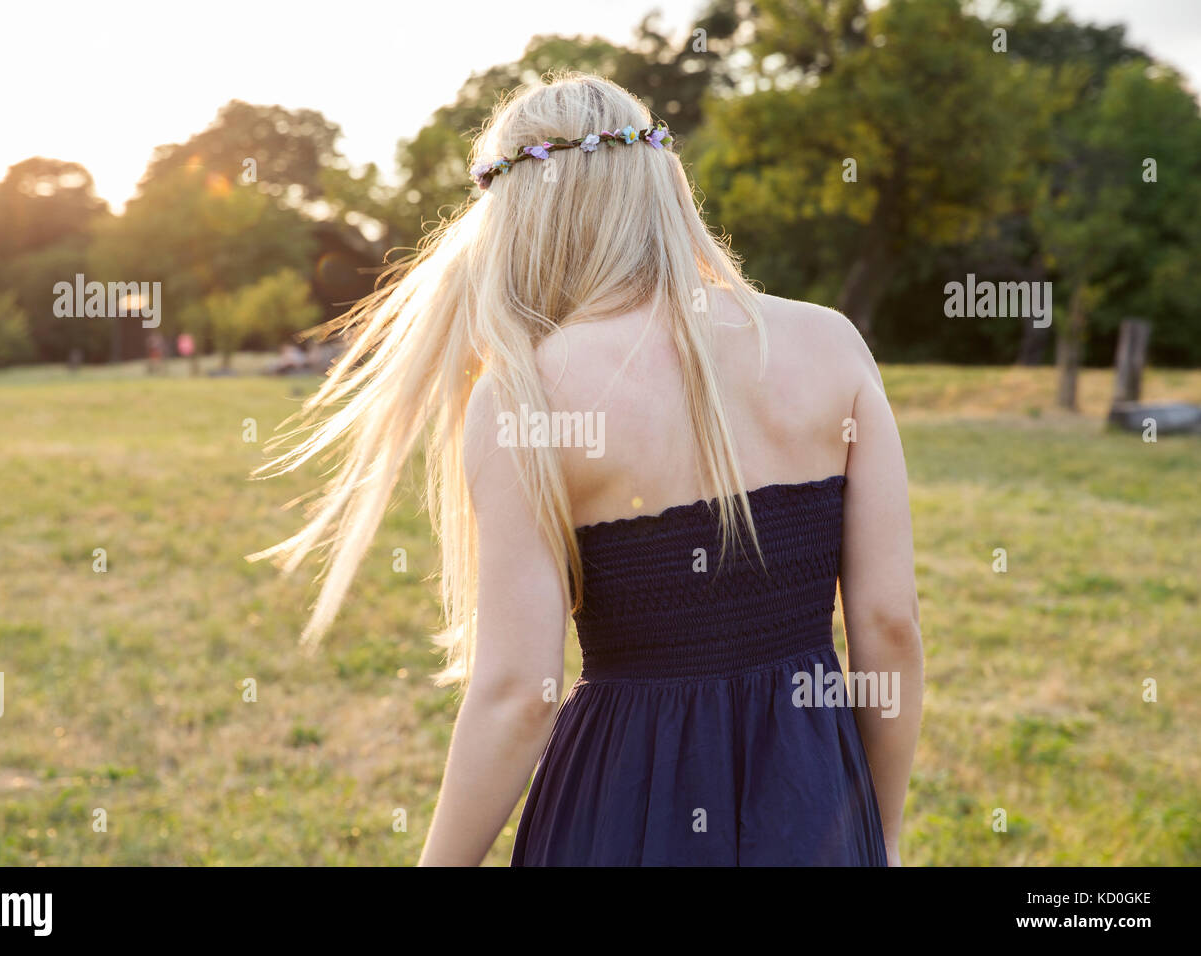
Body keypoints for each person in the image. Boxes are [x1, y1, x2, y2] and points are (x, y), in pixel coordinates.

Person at [254, 72, 922, 866]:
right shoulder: (832, 345)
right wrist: (871, 832)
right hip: (812, 802)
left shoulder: (525, 395)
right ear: (661, 186)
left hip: (624, 811)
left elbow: (517, 697)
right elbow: (889, 629)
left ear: (521, 219)